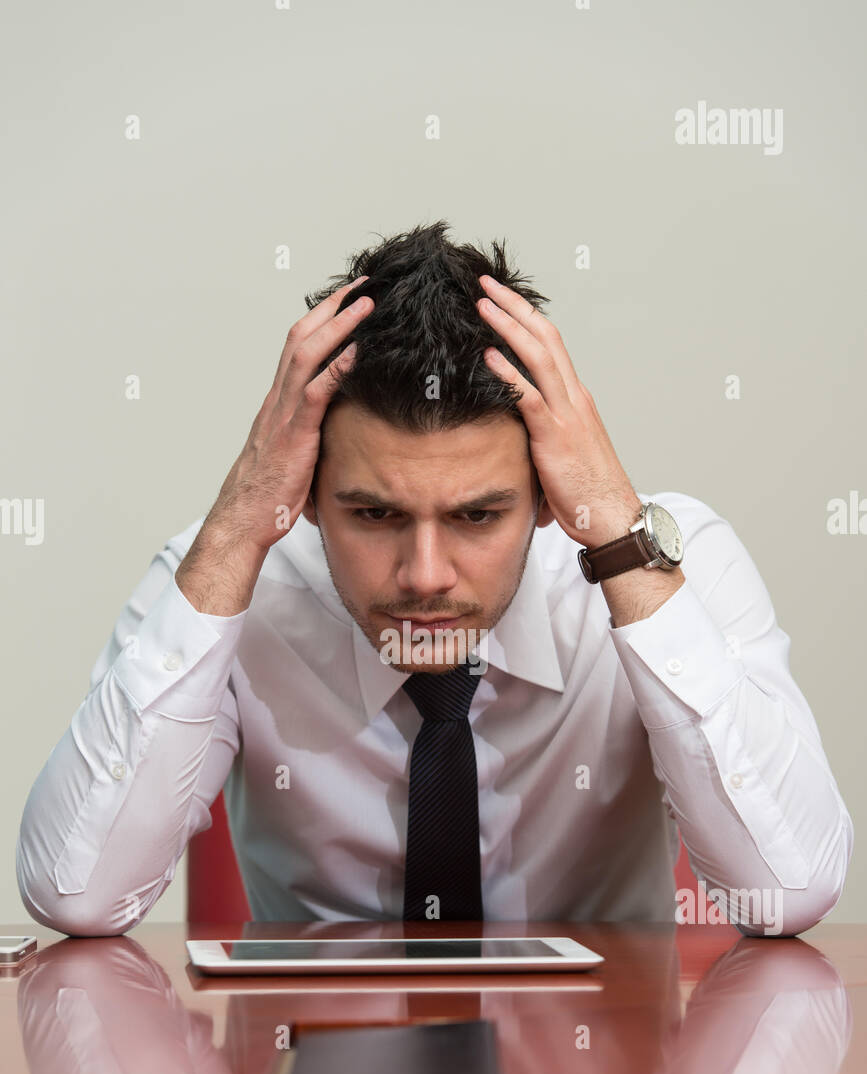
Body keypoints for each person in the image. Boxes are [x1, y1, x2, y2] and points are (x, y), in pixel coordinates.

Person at [16, 221, 852, 936]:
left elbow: (786, 893)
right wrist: (237, 524)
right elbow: (75, 895)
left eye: (477, 516)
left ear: (547, 500)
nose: (424, 577)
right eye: (374, 515)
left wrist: (610, 520)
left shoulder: (667, 561)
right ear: (303, 496)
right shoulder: (230, 579)